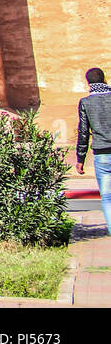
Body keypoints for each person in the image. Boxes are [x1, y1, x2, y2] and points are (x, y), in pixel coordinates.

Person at [76, 67, 111, 230]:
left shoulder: (86, 103)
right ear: (105, 80)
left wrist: (80, 159)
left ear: (88, 83)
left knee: (107, 197)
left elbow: (83, 132)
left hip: (101, 155)